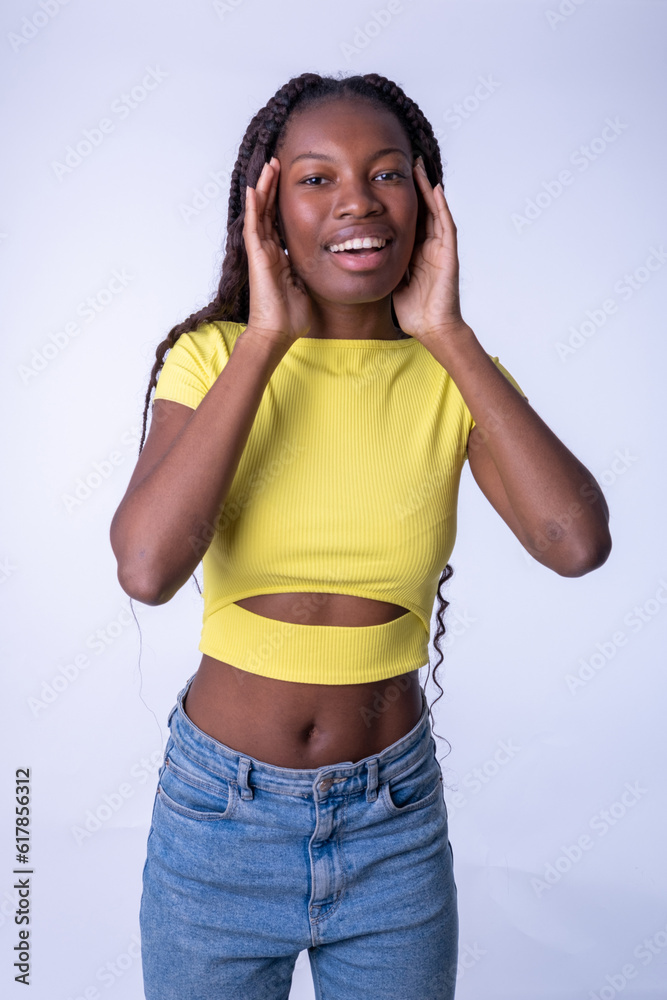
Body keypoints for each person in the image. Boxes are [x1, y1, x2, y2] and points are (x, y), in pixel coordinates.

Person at [109, 71, 611, 1000]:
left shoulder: (453, 375)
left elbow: (573, 543)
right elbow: (146, 567)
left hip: (392, 823)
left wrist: (447, 333)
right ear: (267, 206)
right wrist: (264, 338)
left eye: (385, 175)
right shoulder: (213, 358)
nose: (355, 200)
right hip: (220, 820)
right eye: (315, 177)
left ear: (426, 202)